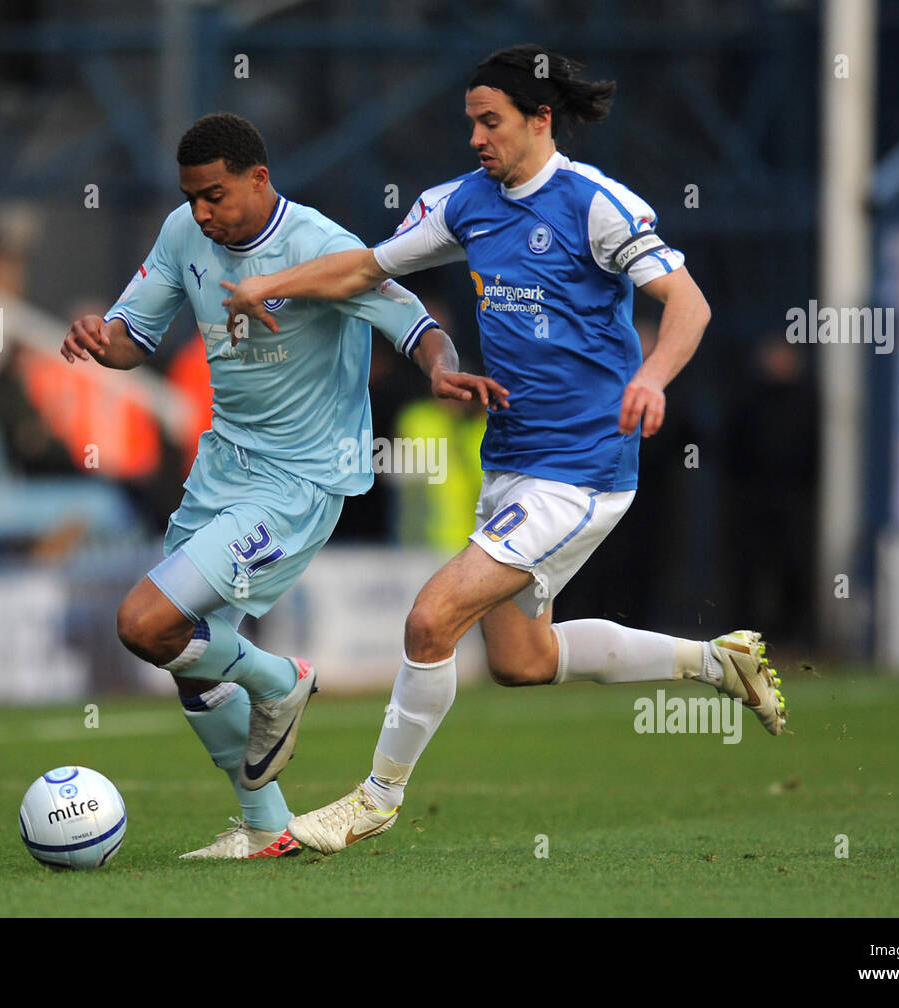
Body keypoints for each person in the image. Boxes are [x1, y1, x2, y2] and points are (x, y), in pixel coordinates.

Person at [222, 46, 787, 855]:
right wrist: (266, 284)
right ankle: (715, 662)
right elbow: (366, 270)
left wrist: (653, 376)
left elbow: (687, 303)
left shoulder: (595, 205)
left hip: (583, 468)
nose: (476, 138)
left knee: (430, 620)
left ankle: (374, 800)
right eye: (471, 123)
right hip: (513, 460)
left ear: (540, 119)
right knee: (524, 660)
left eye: (491, 122)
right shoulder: (462, 205)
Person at [61, 112, 502, 859]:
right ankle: (267, 829)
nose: (203, 212)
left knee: (143, 624)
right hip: (220, 468)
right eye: (192, 197)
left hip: (298, 482)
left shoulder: (321, 247)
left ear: (258, 179)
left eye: (215, 195)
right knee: (186, 653)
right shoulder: (183, 233)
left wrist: (441, 370)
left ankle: (278, 681)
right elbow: (134, 336)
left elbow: (416, 324)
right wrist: (101, 340)